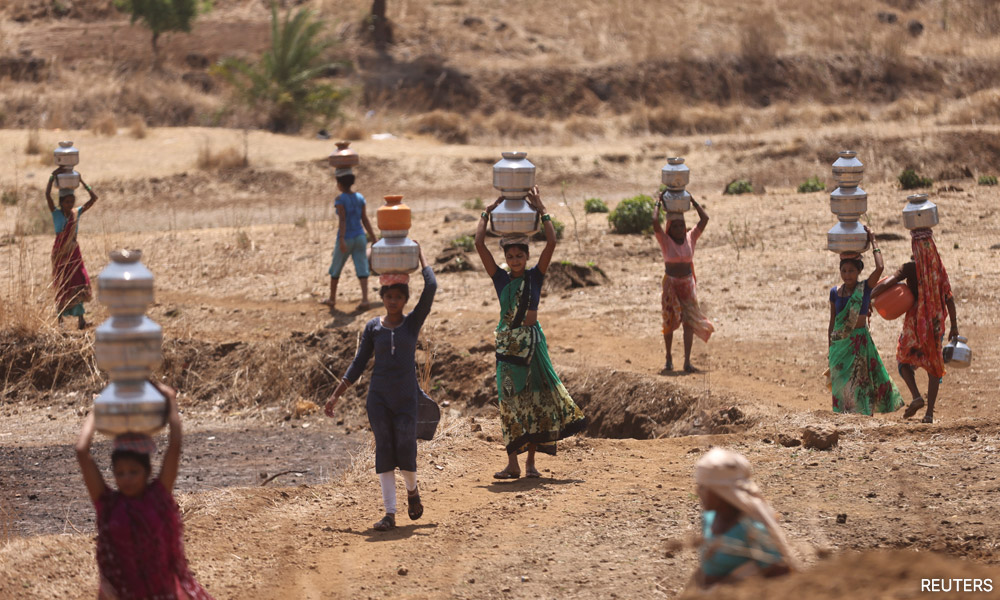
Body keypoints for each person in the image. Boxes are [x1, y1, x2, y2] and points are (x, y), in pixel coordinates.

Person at [474, 186, 587, 480]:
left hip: (533, 345)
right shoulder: (500, 280)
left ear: (526, 256)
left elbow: (551, 241)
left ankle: (531, 465)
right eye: (509, 256)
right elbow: (479, 244)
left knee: (536, 399)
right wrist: (486, 212)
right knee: (510, 401)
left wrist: (541, 208)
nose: (514, 260)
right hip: (509, 347)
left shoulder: (536, 276)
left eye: (518, 255)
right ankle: (512, 463)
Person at [324, 244, 435, 531]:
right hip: (379, 399)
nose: (393, 301)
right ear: (382, 298)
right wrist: (335, 395)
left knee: (406, 447)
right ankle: (389, 513)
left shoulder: (412, 324)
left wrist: (421, 256)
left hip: (406, 398)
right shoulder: (373, 327)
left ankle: (412, 491)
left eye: (399, 297)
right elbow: (358, 363)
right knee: (384, 450)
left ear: (405, 300)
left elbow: (431, 287)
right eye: (389, 297)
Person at [76, 381, 213, 599]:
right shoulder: (108, 504)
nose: (127, 479)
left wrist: (170, 401)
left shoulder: (158, 496)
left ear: (147, 471)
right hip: (120, 593)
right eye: (120, 473)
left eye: (133, 472)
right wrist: (97, 410)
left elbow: (175, 446)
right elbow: (81, 450)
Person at [872, 227, 959, 423]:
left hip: (915, 322)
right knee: (934, 365)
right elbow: (949, 299)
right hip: (935, 324)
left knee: (904, 359)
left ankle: (916, 396)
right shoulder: (939, 270)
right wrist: (954, 326)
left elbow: (888, 283)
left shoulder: (911, 268)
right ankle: (929, 414)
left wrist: (868, 295)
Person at [692, 448, 795, 589]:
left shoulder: (752, 529)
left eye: (703, 487)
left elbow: (780, 577)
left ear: (722, 491)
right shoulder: (709, 518)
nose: (697, 492)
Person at [827, 228, 903, 415]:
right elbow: (833, 321)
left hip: (859, 342)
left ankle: (862, 415)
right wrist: (830, 348)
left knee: (861, 380)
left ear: (859, 271)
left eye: (851, 270)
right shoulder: (835, 292)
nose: (847, 275)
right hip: (840, 344)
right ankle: (843, 416)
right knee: (842, 381)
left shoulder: (865, 288)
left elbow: (880, 268)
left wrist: (874, 241)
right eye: (844, 270)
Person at [652, 194, 714, 372]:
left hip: (687, 284)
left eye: (682, 225)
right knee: (669, 320)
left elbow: (705, 219)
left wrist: (693, 202)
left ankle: (687, 362)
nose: (679, 229)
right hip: (671, 284)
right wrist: (658, 202)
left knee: (689, 322)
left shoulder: (691, 238)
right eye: (676, 226)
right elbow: (655, 222)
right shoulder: (665, 241)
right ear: (670, 228)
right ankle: (668, 358)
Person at [45, 168, 98, 329]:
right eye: (66, 202)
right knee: (63, 284)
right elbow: (47, 195)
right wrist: (52, 175)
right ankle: (60, 321)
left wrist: (82, 182)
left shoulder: (77, 213)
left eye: (71, 201)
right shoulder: (56, 214)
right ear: (61, 203)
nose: (69, 204)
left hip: (74, 252)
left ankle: (81, 320)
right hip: (61, 253)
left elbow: (94, 198)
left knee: (78, 281)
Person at [323, 171, 377, 310]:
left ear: (340, 184)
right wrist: (373, 236)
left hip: (346, 237)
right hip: (360, 236)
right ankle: (365, 299)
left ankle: (332, 299)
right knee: (362, 267)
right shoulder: (360, 197)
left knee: (336, 268)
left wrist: (341, 239)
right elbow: (364, 219)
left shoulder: (340, 199)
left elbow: (342, 220)